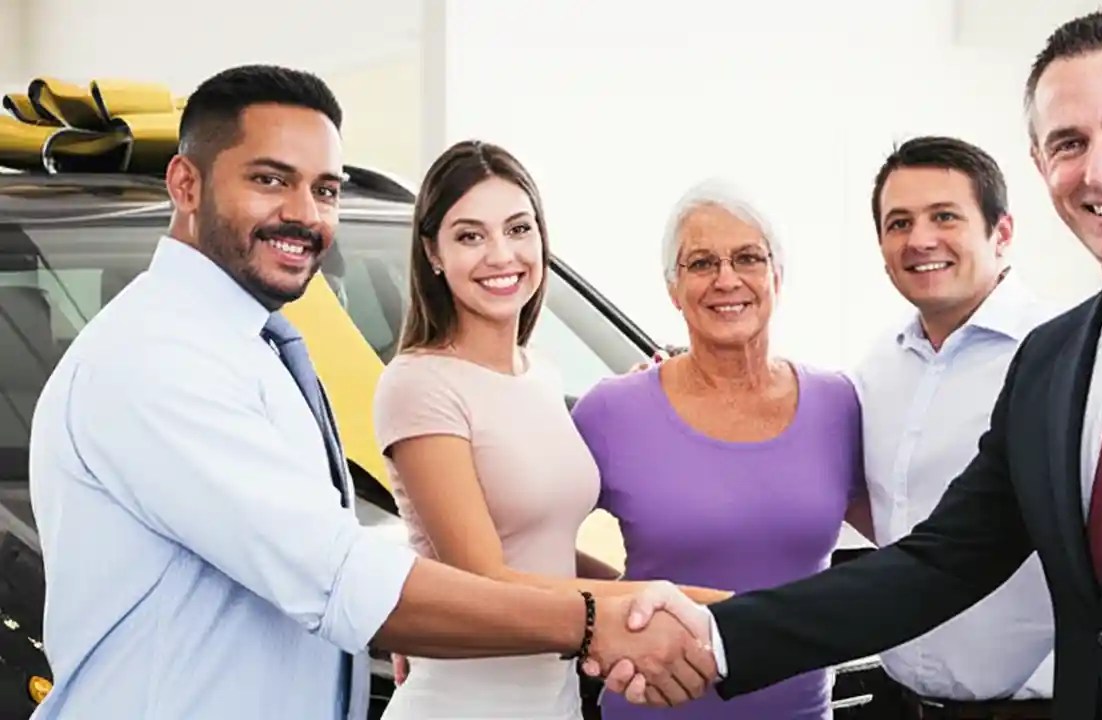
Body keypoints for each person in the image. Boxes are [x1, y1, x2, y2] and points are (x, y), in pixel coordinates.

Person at [600, 10, 1102, 720]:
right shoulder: (1054, 361)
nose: (1101, 169)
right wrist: (717, 637)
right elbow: (943, 562)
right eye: (1069, 142)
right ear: (1043, 165)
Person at [25, 65, 715, 720]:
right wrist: (600, 622)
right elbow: (339, 579)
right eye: (270, 180)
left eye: (323, 190)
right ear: (186, 184)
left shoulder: (249, 346)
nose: (303, 214)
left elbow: (334, 544)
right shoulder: (159, 358)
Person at [372, 141, 729, 719]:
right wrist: (689, 601)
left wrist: (648, 603)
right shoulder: (419, 384)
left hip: (553, 703)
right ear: (432, 252)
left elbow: (547, 553)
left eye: (518, 229)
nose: (500, 254)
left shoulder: (540, 371)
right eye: (470, 235)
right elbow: (489, 580)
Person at [573, 179, 865, 719]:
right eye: (702, 263)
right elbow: (523, 541)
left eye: (747, 258)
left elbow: (914, 538)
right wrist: (619, 605)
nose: (726, 279)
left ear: (777, 276)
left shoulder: (839, 404)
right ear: (672, 288)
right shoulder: (612, 412)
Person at [852, 136, 1056, 718]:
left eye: (945, 216)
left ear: (1003, 231)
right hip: (898, 703)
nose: (920, 240)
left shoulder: (1065, 355)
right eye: (899, 223)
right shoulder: (877, 368)